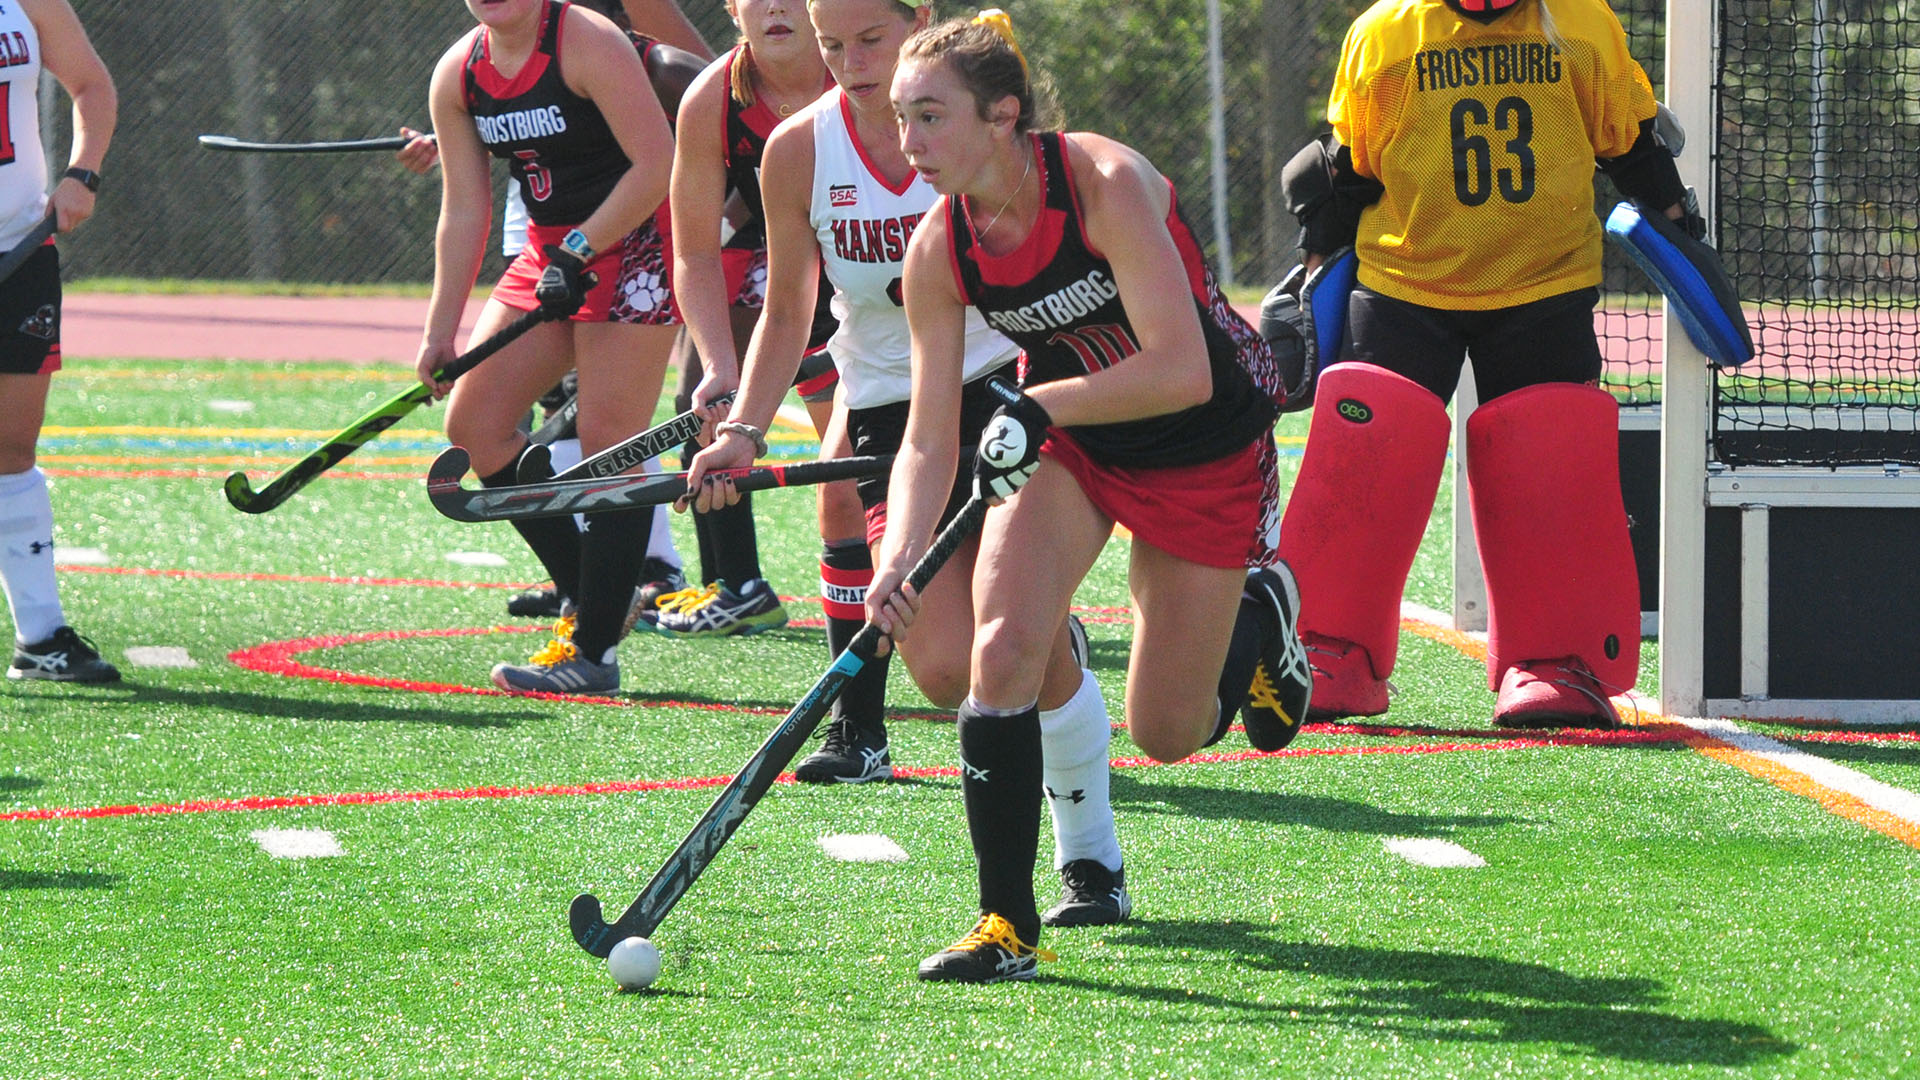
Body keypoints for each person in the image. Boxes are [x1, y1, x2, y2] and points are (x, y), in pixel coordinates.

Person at [865, 14, 1313, 982]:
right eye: (902, 121)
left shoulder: (1101, 184)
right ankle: (1005, 923)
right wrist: (896, 556)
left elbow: (1183, 368)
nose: (909, 145)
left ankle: (1260, 615)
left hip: (1200, 441)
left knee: (1168, 733)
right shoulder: (940, 251)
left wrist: (1034, 401)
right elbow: (928, 436)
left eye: (930, 118)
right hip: (1075, 445)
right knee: (1001, 645)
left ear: (1003, 116)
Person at [685, 0, 1132, 932]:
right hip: (900, 411)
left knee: (1006, 639)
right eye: (832, 43)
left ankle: (1090, 856)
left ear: (920, 21)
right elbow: (789, 304)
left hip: (1012, 388)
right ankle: (1055, 648)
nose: (849, 64)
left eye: (871, 40)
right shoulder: (798, 151)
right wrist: (745, 429)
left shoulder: (964, 125)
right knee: (942, 668)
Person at [1276, 0, 1684, 728]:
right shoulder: (1386, 34)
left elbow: (1634, 147)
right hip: (1403, 284)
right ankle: (1331, 649)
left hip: (1544, 284)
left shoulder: (1583, 26)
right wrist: (1315, 267)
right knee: (1365, 457)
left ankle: (1555, 661)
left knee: (1548, 462)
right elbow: (1349, 172)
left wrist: (1676, 220)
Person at [396, 0, 707, 624]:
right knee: (475, 424)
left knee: (608, 443)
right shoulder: (457, 73)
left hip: (639, 241)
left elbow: (657, 163)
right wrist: (439, 332)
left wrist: (582, 246)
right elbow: (463, 210)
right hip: (552, 253)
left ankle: (593, 649)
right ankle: (589, 594)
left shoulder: (584, 39)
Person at [662, 0, 863, 640]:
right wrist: (722, 368)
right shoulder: (711, 98)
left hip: (892, 283)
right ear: (731, 8)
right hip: (798, 283)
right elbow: (693, 251)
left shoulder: (870, 77)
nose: (773, 5)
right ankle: (744, 587)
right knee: (846, 485)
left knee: (871, 470)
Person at [1, 0, 118, 683]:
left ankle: (40, 638)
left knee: (13, 448)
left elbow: (91, 84)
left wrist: (83, 171)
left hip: (21, 251)